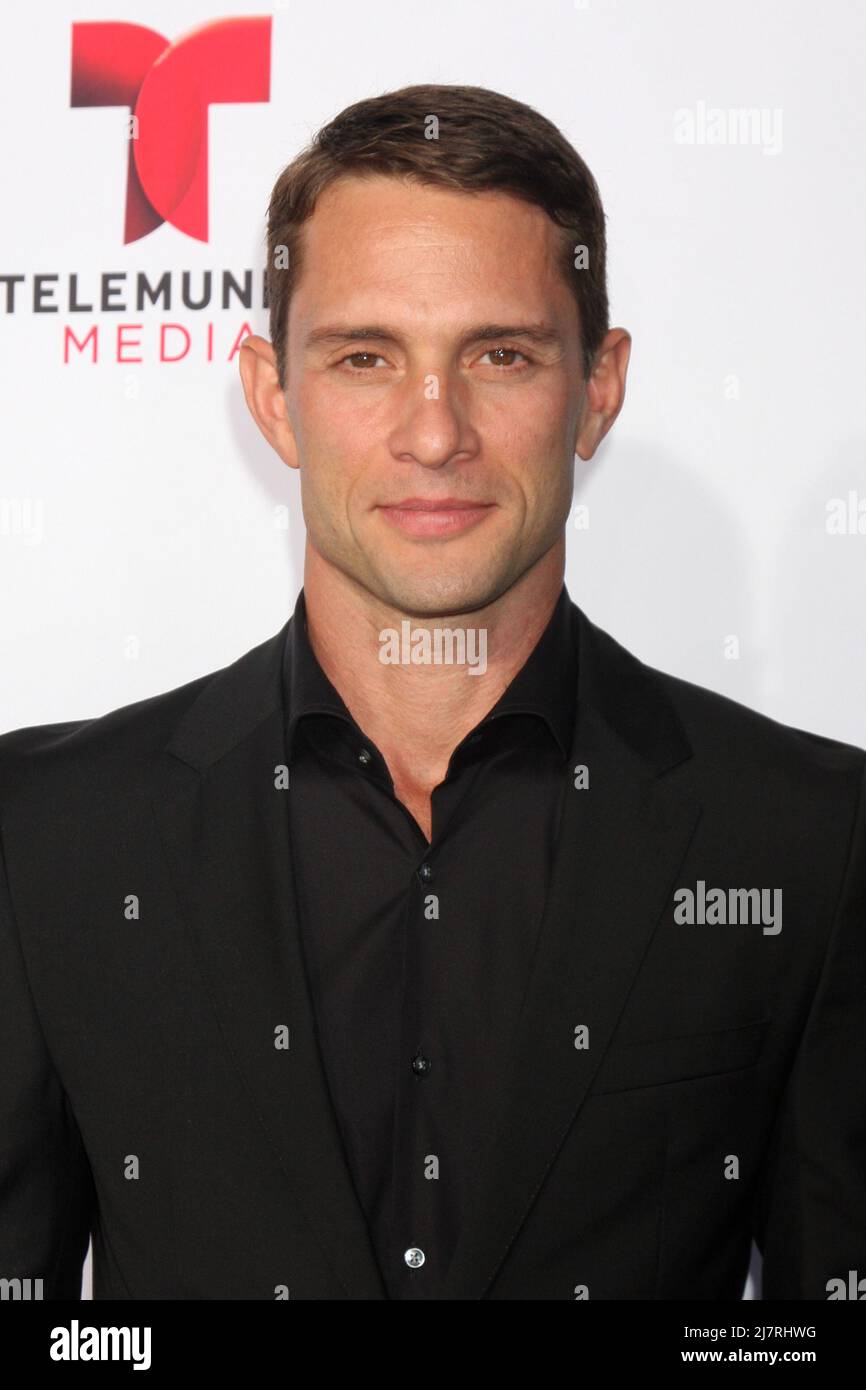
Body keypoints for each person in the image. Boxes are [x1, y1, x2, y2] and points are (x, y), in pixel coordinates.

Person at [1, 84, 863, 1302]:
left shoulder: (804, 834)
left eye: (499, 355)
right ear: (271, 396)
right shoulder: (49, 836)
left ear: (597, 387)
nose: (433, 431)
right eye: (365, 357)